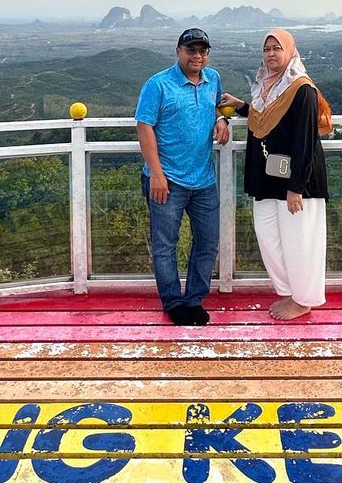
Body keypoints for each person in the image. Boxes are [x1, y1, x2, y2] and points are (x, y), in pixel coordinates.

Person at [221, 30, 330, 320]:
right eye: (267, 48)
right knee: (269, 237)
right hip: (267, 176)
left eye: (277, 48)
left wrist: (296, 187)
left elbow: (305, 139)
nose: (271, 54)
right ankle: (290, 291)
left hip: (296, 181)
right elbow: (265, 117)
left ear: (290, 52)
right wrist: (241, 105)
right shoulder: (267, 87)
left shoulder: (302, 89)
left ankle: (304, 299)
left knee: (300, 240)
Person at [136, 27, 230, 326]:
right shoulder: (158, 84)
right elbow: (144, 126)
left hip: (204, 179)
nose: (197, 56)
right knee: (165, 244)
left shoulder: (212, 78)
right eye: (191, 50)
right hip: (168, 180)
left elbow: (214, 106)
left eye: (203, 50)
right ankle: (174, 302)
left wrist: (221, 119)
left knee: (208, 242)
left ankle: (194, 299)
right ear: (179, 52)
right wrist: (157, 174)